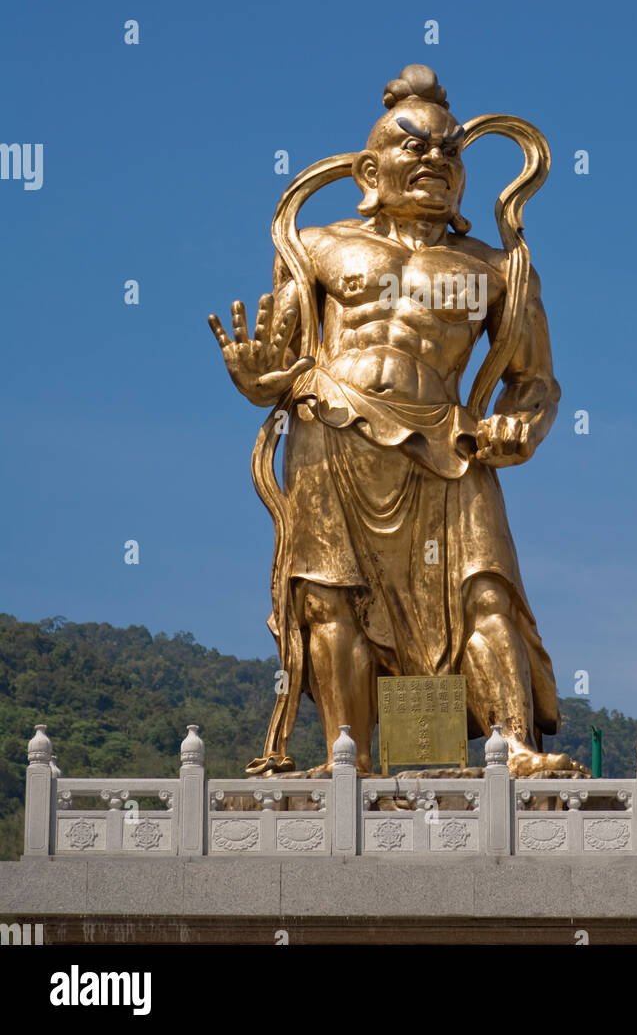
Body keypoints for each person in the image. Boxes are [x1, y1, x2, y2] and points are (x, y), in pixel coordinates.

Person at [209, 64, 574, 776]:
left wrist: (518, 426)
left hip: (449, 441)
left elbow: (537, 383)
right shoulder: (316, 246)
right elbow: (279, 357)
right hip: (333, 427)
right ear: (370, 169)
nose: (434, 159)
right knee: (328, 594)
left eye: (449, 150)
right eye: (414, 146)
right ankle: (351, 758)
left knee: (485, 588)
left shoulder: (499, 270)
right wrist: (258, 380)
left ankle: (517, 747)